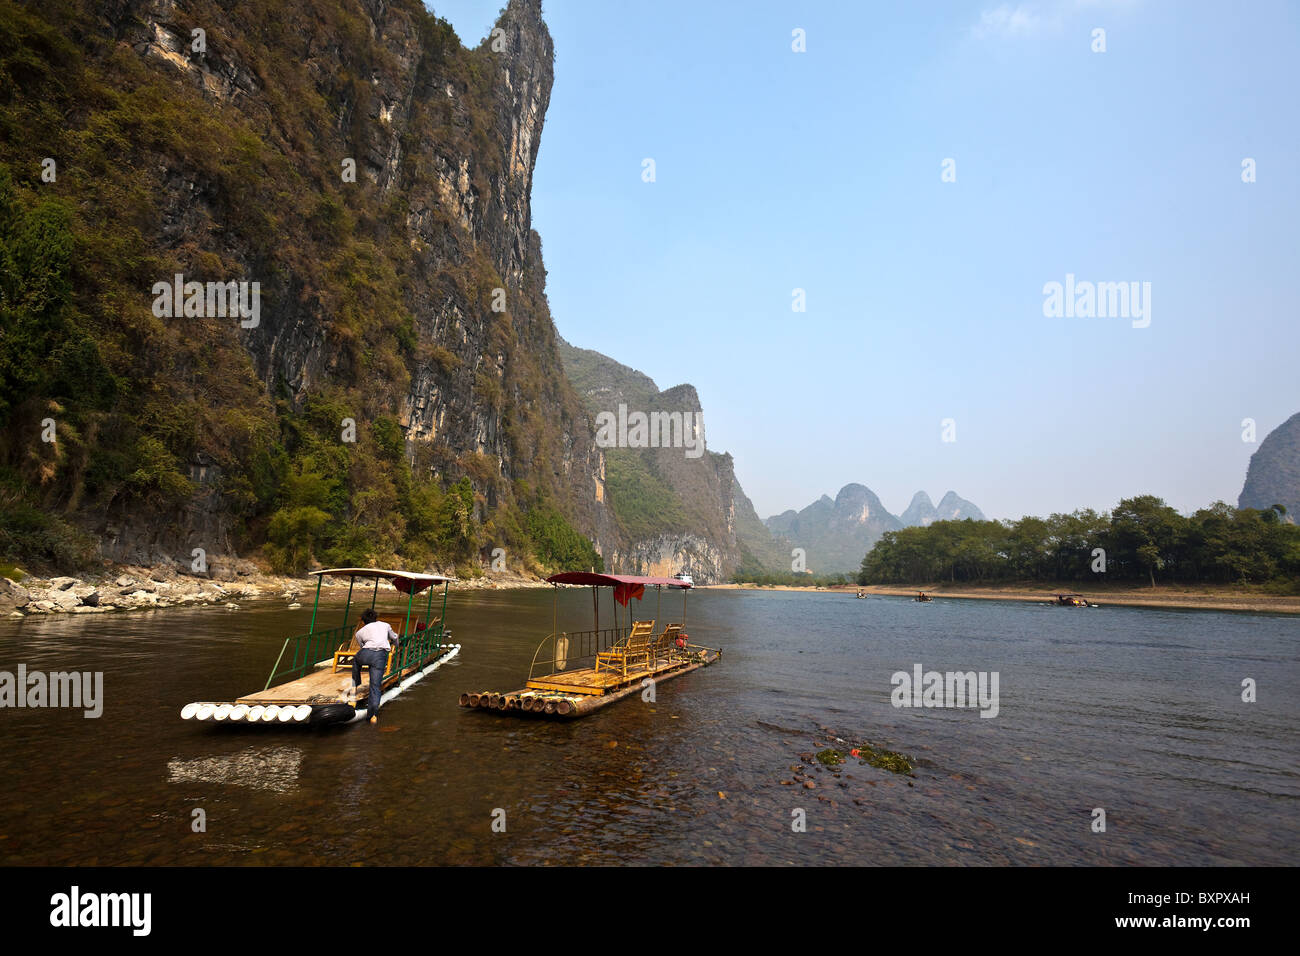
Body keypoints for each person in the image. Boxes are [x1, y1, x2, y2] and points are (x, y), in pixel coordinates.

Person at [352, 608, 399, 723]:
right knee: (375, 686)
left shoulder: (360, 632)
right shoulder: (385, 625)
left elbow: (362, 645)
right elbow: (395, 637)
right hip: (379, 656)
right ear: (376, 618)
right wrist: (396, 645)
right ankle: (372, 715)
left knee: (356, 661)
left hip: (365, 653)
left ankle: (356, 684)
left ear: (363, 621)